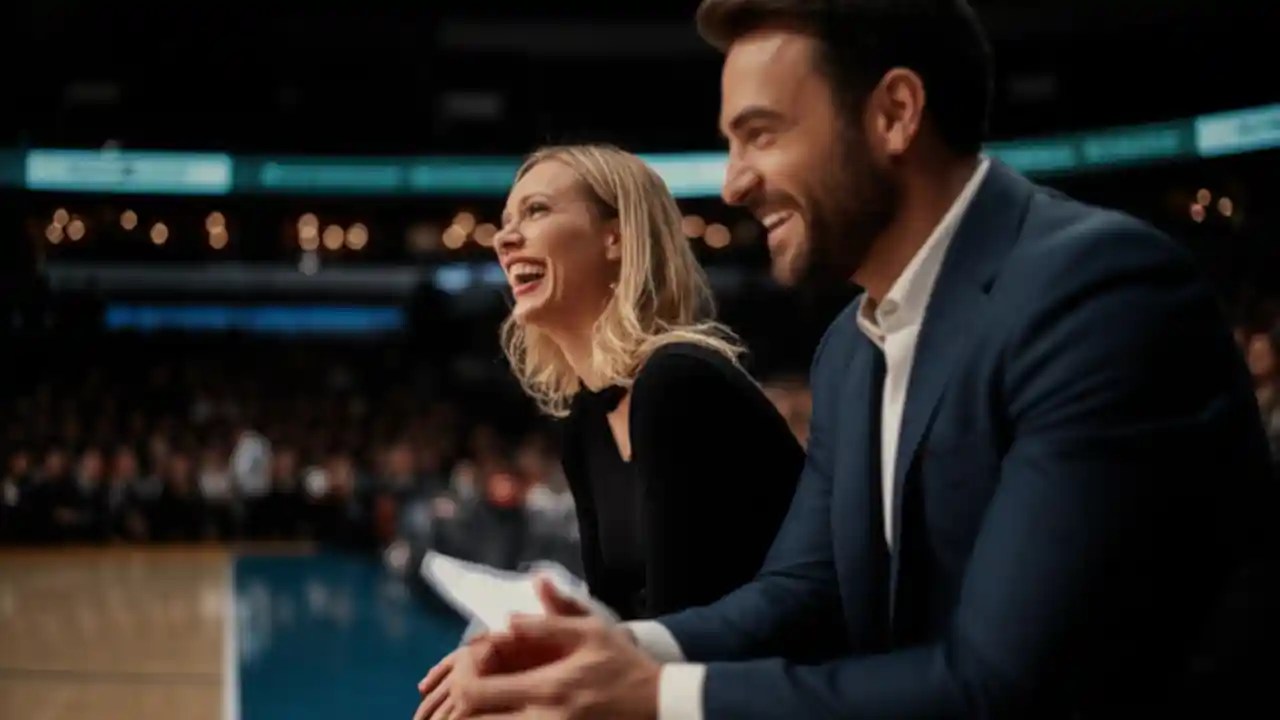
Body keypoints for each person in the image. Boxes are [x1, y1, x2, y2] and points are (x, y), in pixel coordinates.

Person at [423, 1, 1275, 718]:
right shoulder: (848, 351)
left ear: (895, 114)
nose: (734, 184)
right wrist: (601, 651)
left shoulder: (1094, 291)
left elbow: (1002, 685)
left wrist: (660, 695)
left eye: (761, 135)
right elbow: (802, 590)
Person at [414, 144, 806, 719]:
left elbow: (676, 642)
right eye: (506, 223)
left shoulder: (678, 382)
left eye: (537, 211)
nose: (505, 239)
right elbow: (617, 618)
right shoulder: (586, 419)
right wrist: (507, 651)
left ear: (616, 237)